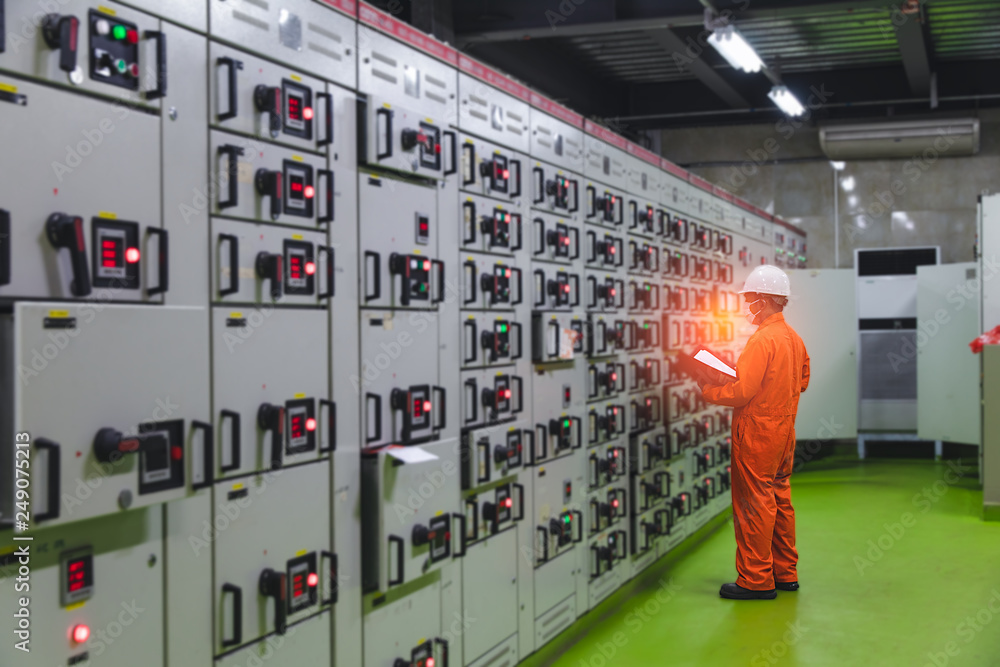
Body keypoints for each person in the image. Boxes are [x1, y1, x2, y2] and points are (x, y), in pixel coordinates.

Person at [695, 265, 810, 600]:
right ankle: (785, 573)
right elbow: (802, 380)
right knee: (779, 499)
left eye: (749, 298)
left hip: (757, 433)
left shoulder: (762, 340)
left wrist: (709, 391)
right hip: (784, 430)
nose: (747, 305)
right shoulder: (794, 338)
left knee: (754, 505)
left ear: (763, 299)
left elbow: (742, 391)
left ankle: (756, 581)